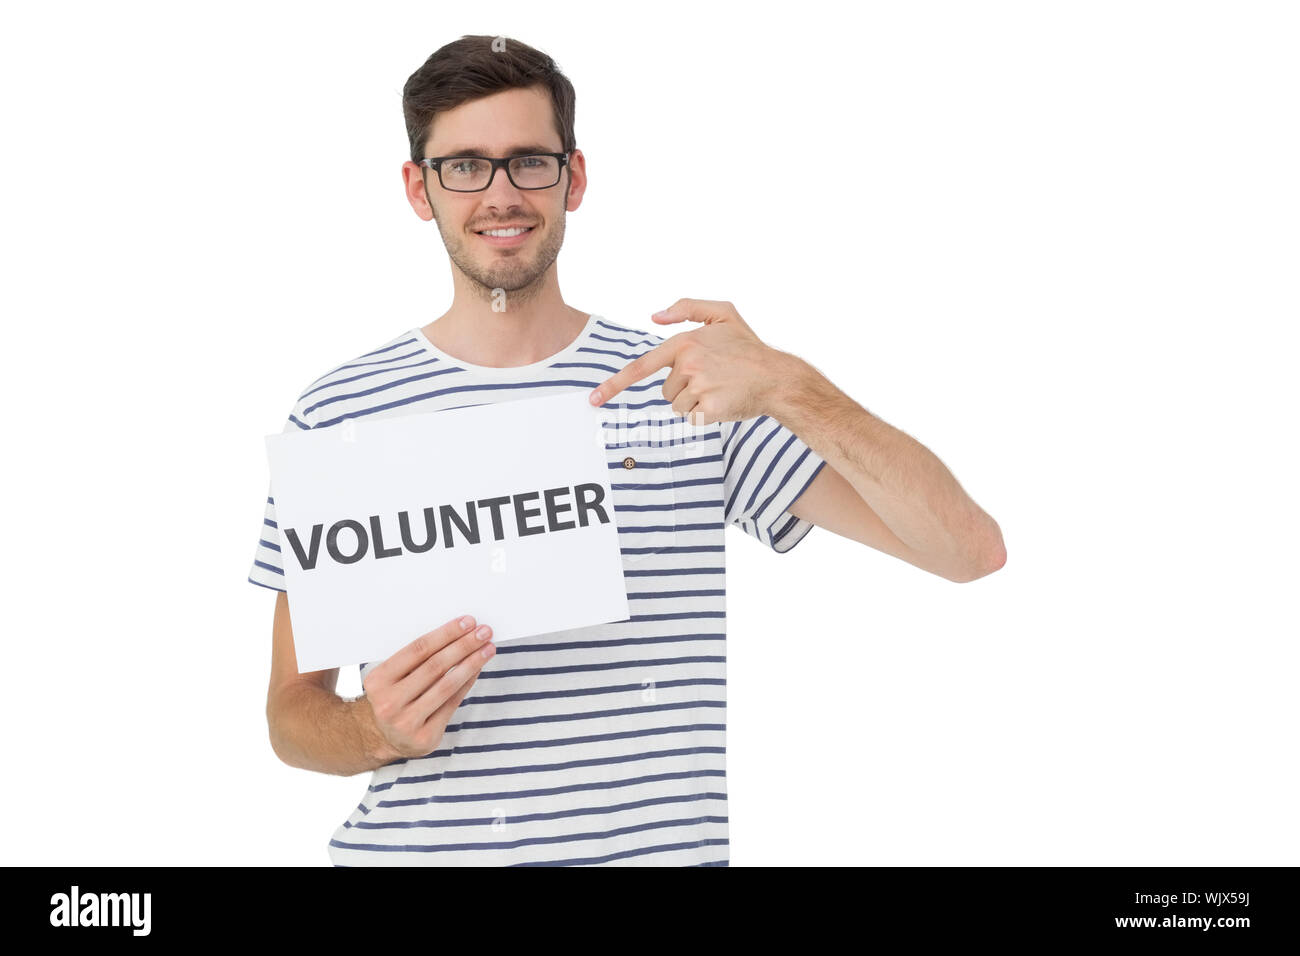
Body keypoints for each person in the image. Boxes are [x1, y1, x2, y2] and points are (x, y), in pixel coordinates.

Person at [248, 35, 1006, 866]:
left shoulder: (687, 386)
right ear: (418, 188)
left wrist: (793, 387)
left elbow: (967, 550)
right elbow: (293, 713)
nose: (501, 194)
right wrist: (371, 728)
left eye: (528, 161)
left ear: (573, 177)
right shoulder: (340, 414)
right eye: (464, 165)